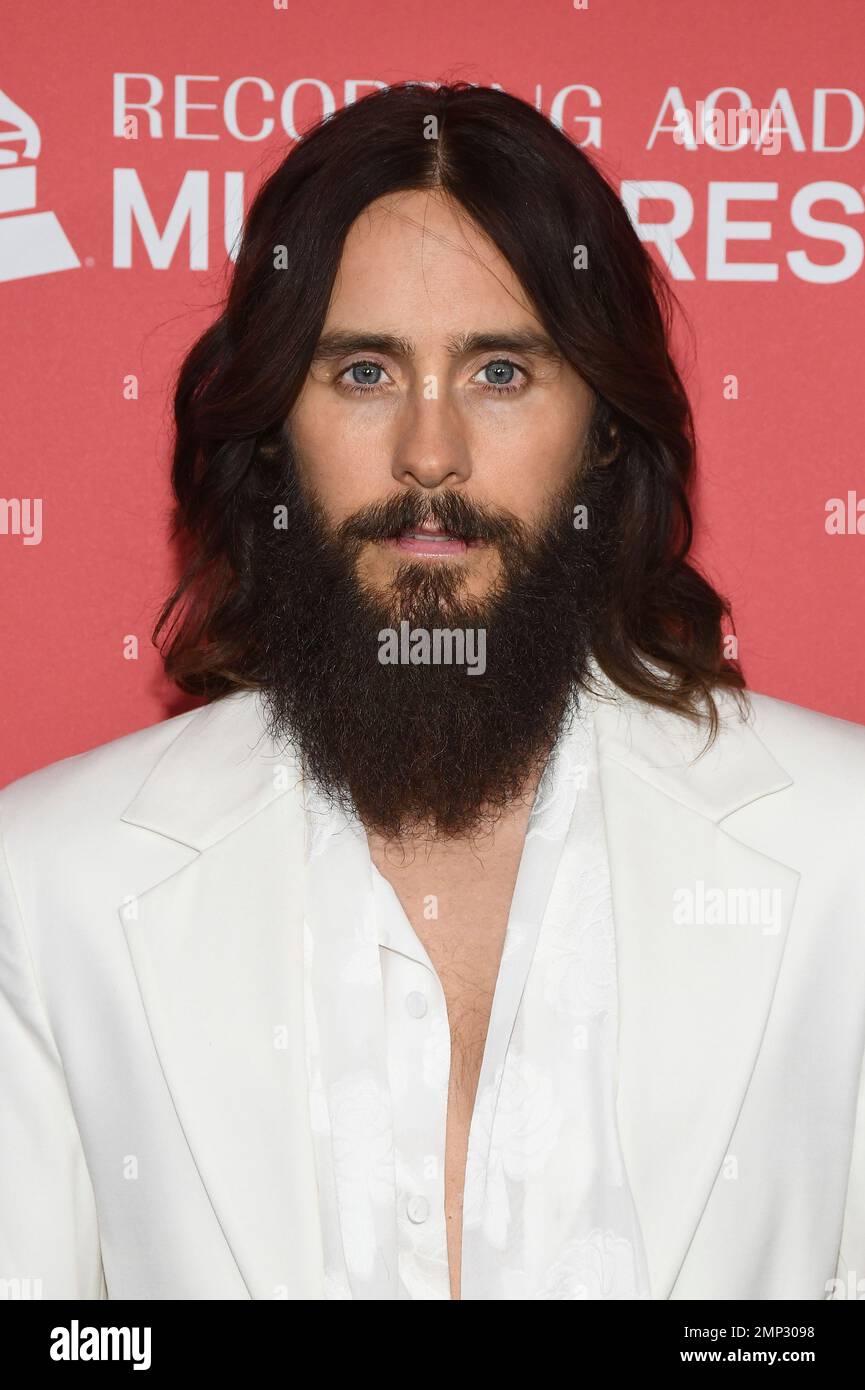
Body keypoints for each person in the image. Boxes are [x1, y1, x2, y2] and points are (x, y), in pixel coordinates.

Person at [1, 81, 863, 1302]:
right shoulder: (46, 889)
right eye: (361, 371)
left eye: (500, 372)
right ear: (272, 431)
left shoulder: (845, 857)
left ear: (604, 432)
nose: (428, 454)